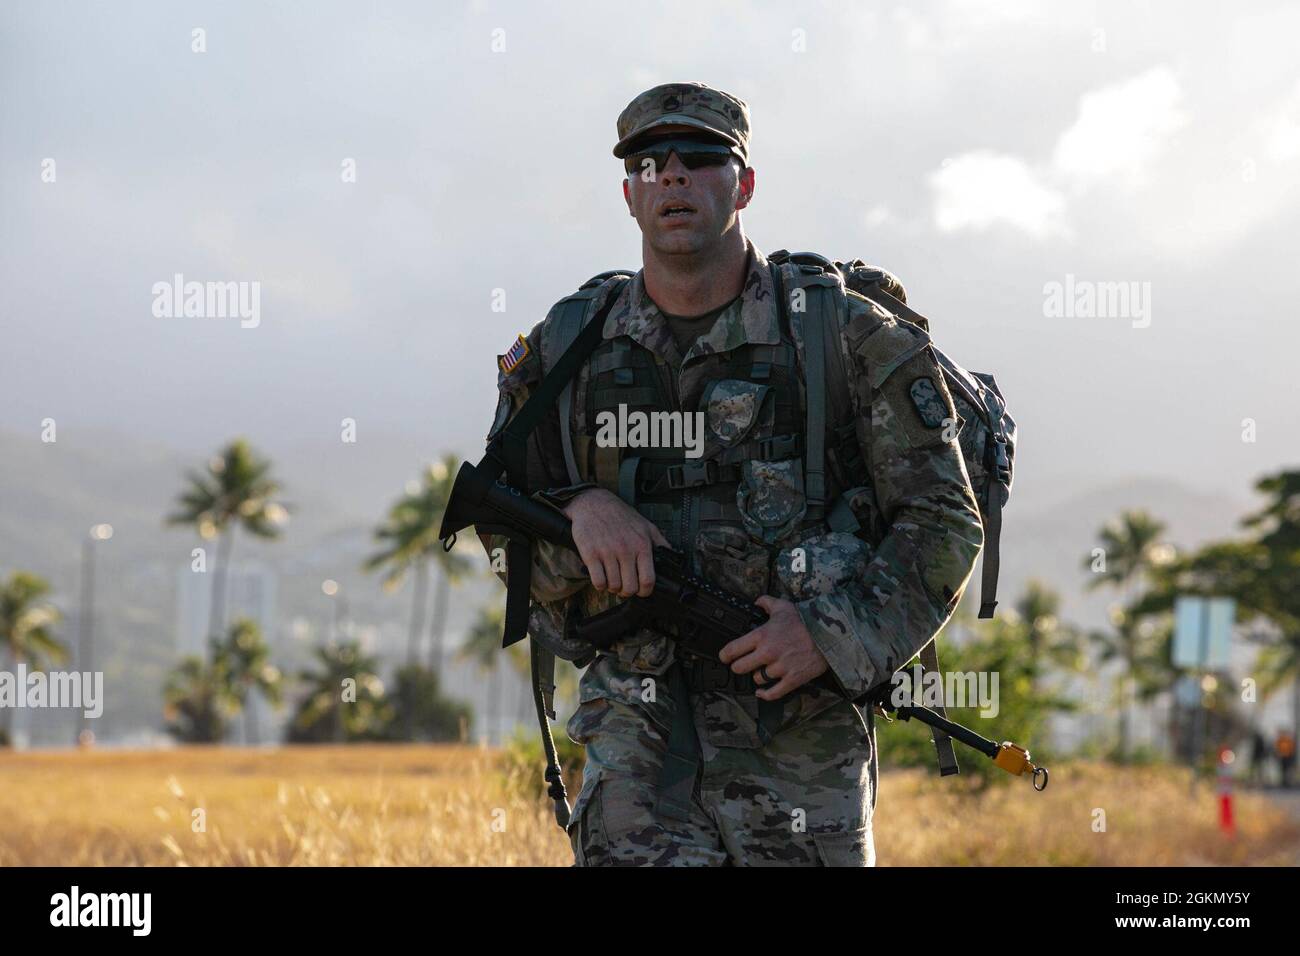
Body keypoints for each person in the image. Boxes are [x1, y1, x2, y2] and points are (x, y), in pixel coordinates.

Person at [479, 82, 984, 866]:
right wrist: (580, 509)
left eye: (703, 158)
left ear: (743, 184)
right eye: (650, 163)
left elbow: (944, 521)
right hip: (635, 758)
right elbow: (496, 513)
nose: (673, 176)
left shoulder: (838, 333)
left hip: (800, 756)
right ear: (629, 195)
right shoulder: (570, 345)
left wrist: (827, 634)